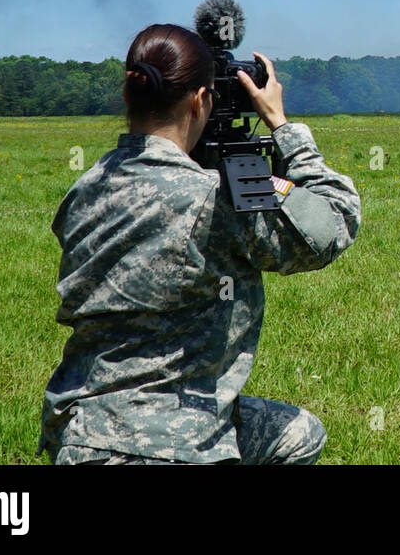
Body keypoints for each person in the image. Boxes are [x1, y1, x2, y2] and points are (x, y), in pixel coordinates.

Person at [37, 23, 361, 464]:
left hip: (80, 435)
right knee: (299, 435)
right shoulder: (215, 199)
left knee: (298, 433)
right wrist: (284, 129)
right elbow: (333, 224)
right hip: (170, 446)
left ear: (131, 95)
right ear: (199, 100)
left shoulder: (86, 189)